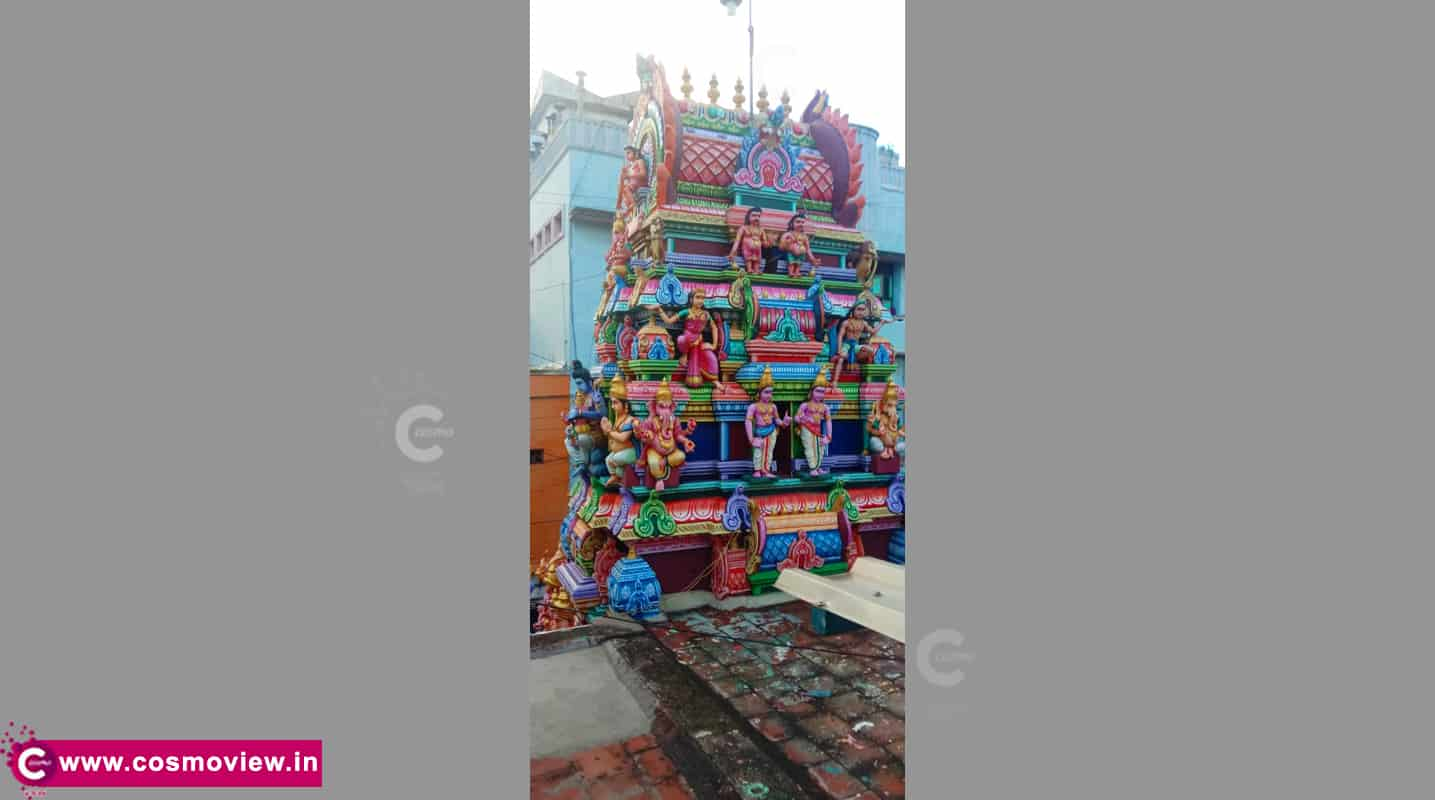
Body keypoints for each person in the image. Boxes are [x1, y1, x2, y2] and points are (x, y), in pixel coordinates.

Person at [652, 288, 724, 390]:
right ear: (691, 299)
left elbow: (714, 327)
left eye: (702, 298)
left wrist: (714, 345)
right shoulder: (686, 312)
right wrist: (660, 310)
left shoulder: (706, 314)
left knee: (711, 358)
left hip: (699, 342)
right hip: (686, 342)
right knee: (681, 339)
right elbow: (668, 321)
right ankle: (684, 355)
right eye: (697, 297)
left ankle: (715, 380)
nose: (700, 300)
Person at [636, 378, 696, 491]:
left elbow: (678, 435)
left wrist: (685, 441)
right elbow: (642, 435)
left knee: (681, 456)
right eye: (662, 407)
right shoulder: (651, 421)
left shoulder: (674, 420)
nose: (666, 411)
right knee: (653, 462)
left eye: (668, 407)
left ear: (672, 407)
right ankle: (659, 479)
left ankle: (666, 462)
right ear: (655, 406)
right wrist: (644, 434)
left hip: (671, 453)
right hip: (654, 450)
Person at [745, 367, 792, 478]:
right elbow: (748, 421)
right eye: (766, 392)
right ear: (760, 392)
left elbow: (776, 420)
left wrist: (784, 422)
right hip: (759, 432)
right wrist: (751, 439)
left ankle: (765, 470)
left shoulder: (773, 406)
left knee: (769, 452)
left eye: (770, 392)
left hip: (771, 431)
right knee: (758, 452)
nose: (769, 395)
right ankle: (757, 470)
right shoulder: (753, 406)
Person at [600, 373, 638, 488]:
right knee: (608, 459)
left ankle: (621, 477)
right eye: (612, 403)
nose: (612, 406)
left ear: (625, 405)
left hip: (630, 452)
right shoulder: (618, 419)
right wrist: (606, 429)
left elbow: (623, 438)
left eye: (615, 403)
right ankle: (616, 476)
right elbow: (611, 437)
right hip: (618, 451)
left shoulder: (629, 420)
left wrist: (610, 431)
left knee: (615, 459)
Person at [795, 368, 834, 477]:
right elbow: (796, 418)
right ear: (812, 392)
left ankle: (817, 467)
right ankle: (813, 468)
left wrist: (829, 437)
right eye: (817, 391)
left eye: (822, 391)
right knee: (809, 448)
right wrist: (805, 419)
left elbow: (828, 421)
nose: (820, 394)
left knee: (820, 448)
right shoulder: (805, 405)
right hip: (806, 428)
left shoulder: (825, 407)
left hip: (817, 430)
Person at [867, 377, 907, 469]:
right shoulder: (879, 416)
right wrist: (878, 431)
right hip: (881, 442)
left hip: (893, 443)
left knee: (903, 446)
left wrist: (903, 433)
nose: (892, 408)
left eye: (894, 406)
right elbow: (869, 429)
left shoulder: (896, 417)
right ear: (884, 404)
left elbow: (899, 430)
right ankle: (885, 451)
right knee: (873, 442)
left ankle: (890, 450)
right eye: (889, 405)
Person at [728, 207, 772, 274]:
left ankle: (756, 269)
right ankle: (749, 269)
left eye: (758, 216)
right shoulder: (744, 228)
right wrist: (733, 251)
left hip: (758, 250)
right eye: (754, 215)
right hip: (747, 249)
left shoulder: (761, 230)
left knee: (757, 259)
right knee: (748, 257)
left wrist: (767, 243)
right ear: (748, 216)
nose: (756, 218)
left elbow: (764, 242)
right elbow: (737, 241)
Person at [778, 213, 821, 277]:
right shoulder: (788, 234)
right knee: (791, 263)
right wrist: (790, 246)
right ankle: (791, 272)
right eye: (798, 222)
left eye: (802, 222)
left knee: (798, 264)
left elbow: (808, 249)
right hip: (791, 254)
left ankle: (797, 272)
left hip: (801, 255)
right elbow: (781, 246)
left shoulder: (804, 236)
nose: (801, 224)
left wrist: (812, 258)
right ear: (792, 223)